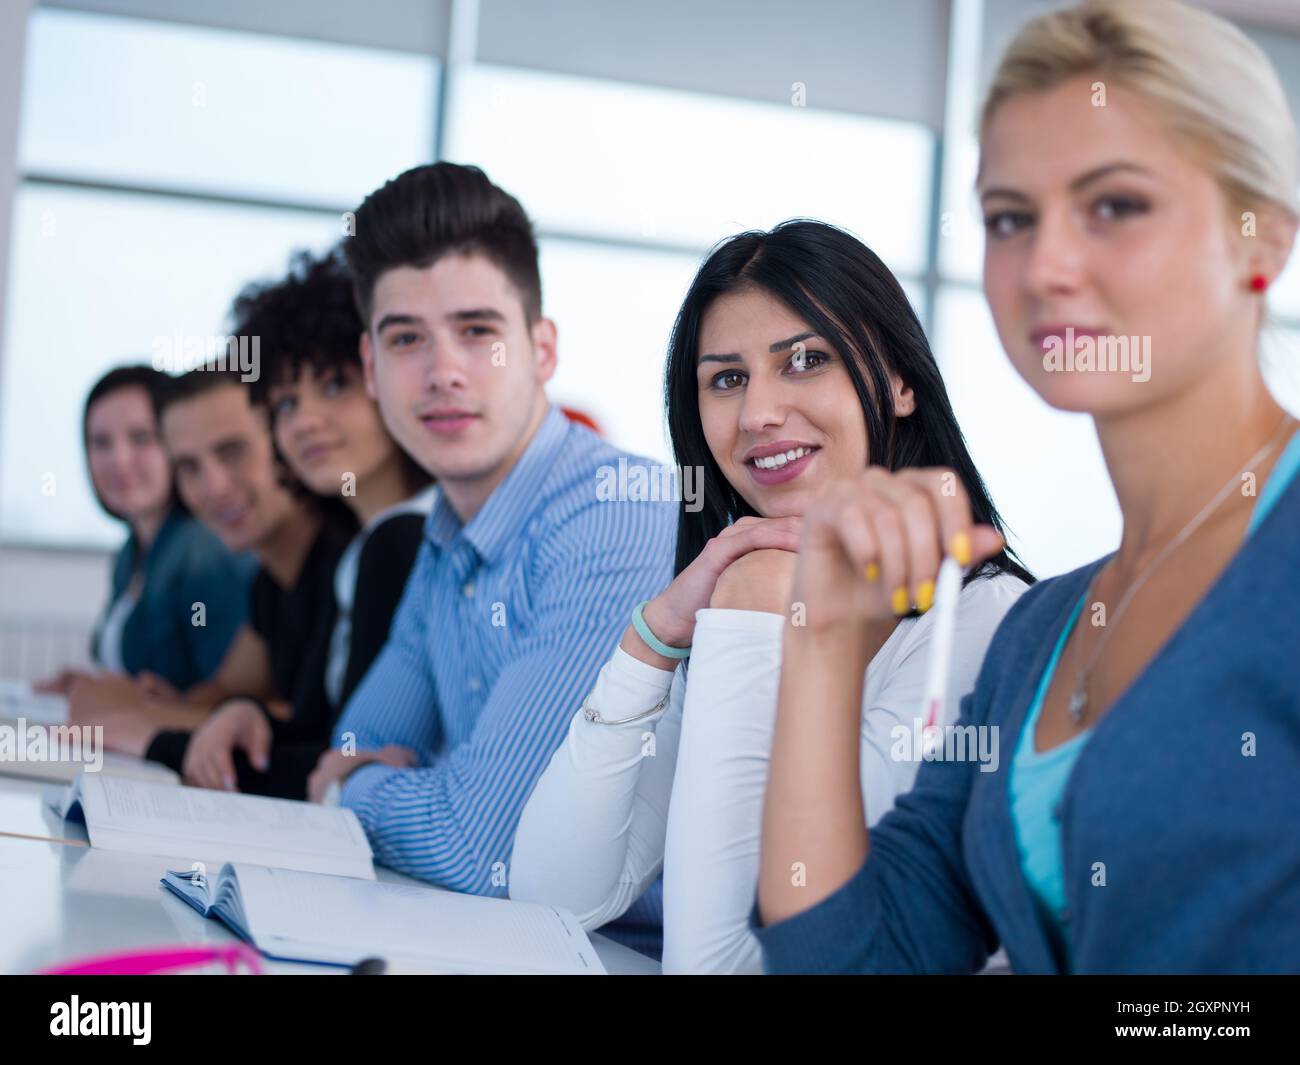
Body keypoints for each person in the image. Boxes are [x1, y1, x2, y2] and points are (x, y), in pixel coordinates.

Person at [755, 0, 1300, 974]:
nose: (1045, 265)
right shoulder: (1039, 636)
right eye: (1011, 218)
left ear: (1262, 241)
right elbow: (850, 961)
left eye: (1115, 205)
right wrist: (824, 639)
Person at [509, 219, 1032, 971]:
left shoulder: (979, 628)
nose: (757, 413)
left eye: (806, 361)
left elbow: (723, 965)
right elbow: (553, 894)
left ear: (899, 382)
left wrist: (754, 597)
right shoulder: (744, 617)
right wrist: (654, 638)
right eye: (727, 379)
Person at [308, 162, 677, 958]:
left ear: (541, 349)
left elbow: (481, 847)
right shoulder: (444, 532)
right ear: (372, 368)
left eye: (478, 331)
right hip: (495, 944)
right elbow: (358, 738)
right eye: (406, 338)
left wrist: (359, 787)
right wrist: (377, 777)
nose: (443, 370)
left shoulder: (616, 515)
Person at [176, 249, 436, 796]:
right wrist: (246, 717)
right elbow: (325, 737)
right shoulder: (361, 549)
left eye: (334, 386)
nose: (304, 422)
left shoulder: (407, 537)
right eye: (286, 403)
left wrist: (158, 744)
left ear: (388, 381)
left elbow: (343, 767)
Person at [68, 366, 357, 796]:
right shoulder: (271, 581)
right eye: (188, 467)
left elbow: (313, 742)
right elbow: (223, 694)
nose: (214, 488)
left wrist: (141, 719)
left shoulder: (349, 565)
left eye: (233, 452)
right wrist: (155, 702)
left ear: (287, 437)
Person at [36, 365, 253, 695]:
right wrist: (97, 688)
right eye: (101, 442)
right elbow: (143, 682)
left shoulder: (202, 553)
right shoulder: (131, 552)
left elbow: (230, 698)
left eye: (141, 438)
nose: (120, 460)